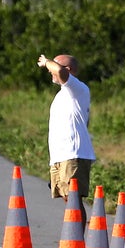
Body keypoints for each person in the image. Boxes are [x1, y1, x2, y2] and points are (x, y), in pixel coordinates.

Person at [37, 53, 94, 224]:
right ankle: (71, 245)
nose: (50, 71)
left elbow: (60, 71)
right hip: (60, 155)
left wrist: (46, 62)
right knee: (67, 199)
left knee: (73, 199)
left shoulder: (77, 88)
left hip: (73, 153)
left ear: (68, 70)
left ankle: (77, 246)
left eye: (53, 67)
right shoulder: (63, 94)